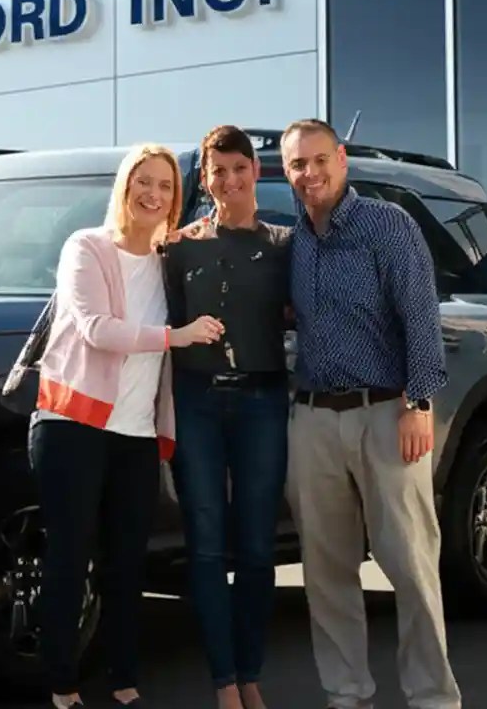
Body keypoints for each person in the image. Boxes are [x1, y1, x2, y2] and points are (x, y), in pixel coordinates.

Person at [278, 118, 462, 709]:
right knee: (326, 572)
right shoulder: (295, 241)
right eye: (296, 165)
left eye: (318, 160)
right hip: (311, 420)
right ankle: (346, 692)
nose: (309, 174)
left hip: (387, 412)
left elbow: (421, 317)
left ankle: (432, 696)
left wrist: (419, 402)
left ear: (342, 159)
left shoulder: (388, 225)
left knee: (411, 566)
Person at [31, 143, 223, 709]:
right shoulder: (86, 247)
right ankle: (63, 688)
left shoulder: (169, 263)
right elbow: (97, 328)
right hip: (73, 426)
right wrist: (175, 336)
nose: (153, 194)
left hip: (137, 435)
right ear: (124, 186)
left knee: (125, 566)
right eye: (144, 181)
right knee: (69, 560)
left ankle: (124, 683)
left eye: (165, 186)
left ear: (175, 198)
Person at [160, 125, 292, 709]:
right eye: (218, 172)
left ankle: (251, 674)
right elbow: (157, 325)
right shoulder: (180, 247)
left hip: (262, 401)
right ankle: (223, 684)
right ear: (204, 179)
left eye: (239, 168)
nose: (229, 181)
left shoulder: (287, 245)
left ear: (256, 171)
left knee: (258, 546)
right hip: (197, 402)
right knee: (208, 544)